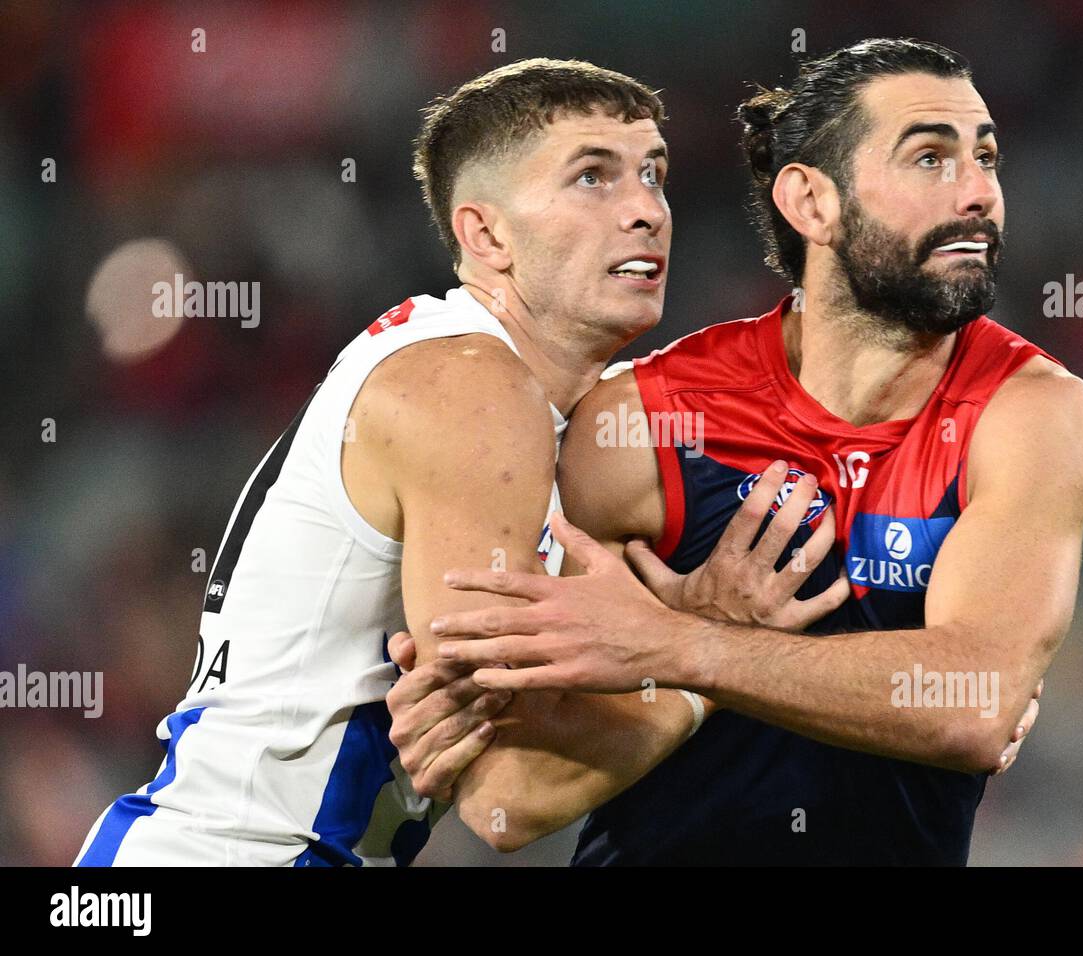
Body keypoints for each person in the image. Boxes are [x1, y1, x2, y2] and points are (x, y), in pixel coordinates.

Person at [389, 38, 1083, 864]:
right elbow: (507, 801)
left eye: (986, 158)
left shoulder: (1034, 415)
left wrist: (683, 642)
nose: (980, 193)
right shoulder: (643, 423)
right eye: (931, 160)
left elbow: (974, 706)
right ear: (811, 202)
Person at [74, 57, 695, 866]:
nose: (645, 209)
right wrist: (707, 662)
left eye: (653, 173)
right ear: (486, 235)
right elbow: (507, 798)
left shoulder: (533, 398)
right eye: (593, 177)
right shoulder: (471, 385)